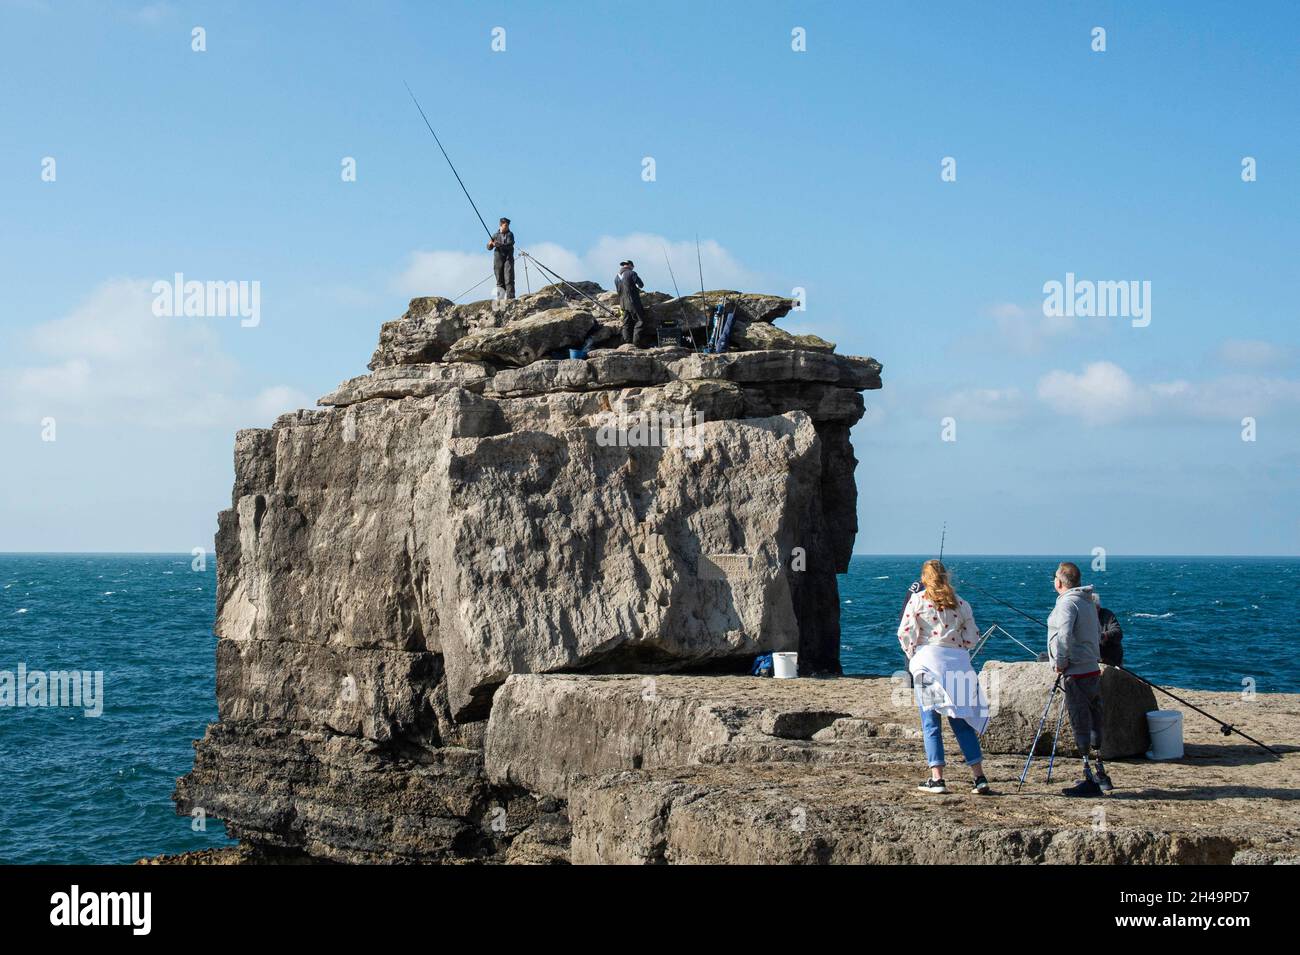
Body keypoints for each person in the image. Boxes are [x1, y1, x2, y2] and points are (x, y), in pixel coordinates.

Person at [898, 560, 992, 795]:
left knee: (930, 721)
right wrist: (958, 647)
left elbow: (906, 632)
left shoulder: (917, 600)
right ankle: (979, 777)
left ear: (924, 578)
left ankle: (937, 778)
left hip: (928, 662)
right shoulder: (960, 603)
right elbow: (972, 637)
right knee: (961, 720)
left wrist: (913, 655)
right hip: (957, 663)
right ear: (945, 577)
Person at [1047, 561, 1113, 796]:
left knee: (1080, 720)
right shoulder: (1087, 602)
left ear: (1060, 581)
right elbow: (1095, 632)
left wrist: (1060, 661)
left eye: (1055, 576)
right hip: (1091, 668)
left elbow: (1064, 635)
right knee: (1095, 718)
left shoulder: (1067, 604)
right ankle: (1100, 771)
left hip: (1075, 671)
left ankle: (1088, 778)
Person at [616, 260, 652, 347]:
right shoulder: (632, 273)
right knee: (640, 321)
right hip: (633, 302)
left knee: (626, 323)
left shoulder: (616, 277)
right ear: (630, 266)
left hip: (622, 304)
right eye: (633, 266)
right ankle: (636, 344)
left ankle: (626, 344)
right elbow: (641, 285)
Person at [488, 217, 515, 300]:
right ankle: (500, 299)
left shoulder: (510, 234)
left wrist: (498, 244)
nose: (507, 227)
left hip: (508, 258)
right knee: (499, 279)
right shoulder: (495, 235)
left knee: (509, 278)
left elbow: (509, 244)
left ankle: (511, 298)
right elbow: (488, 247)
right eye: (505, 225)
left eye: (508, 226)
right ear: (501, 225)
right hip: (498, 259)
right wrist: (491, 244)